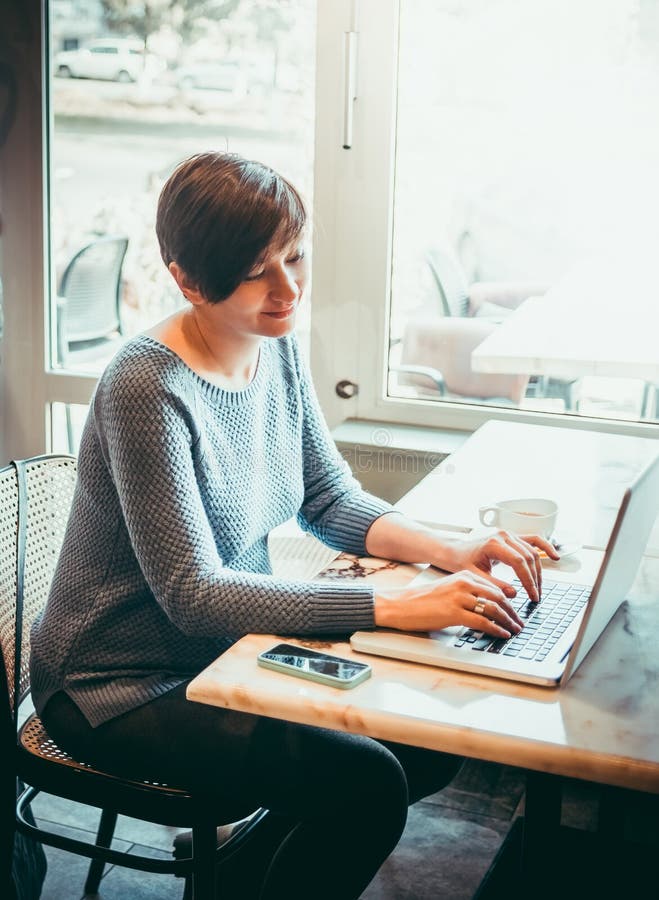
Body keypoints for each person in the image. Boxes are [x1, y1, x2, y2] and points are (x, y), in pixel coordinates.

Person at [30, 152, 558, 899]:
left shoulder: (274, 345)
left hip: (223, 654)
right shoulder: (146, 386)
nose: (289, 288)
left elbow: (328, 497)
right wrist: (396, 608)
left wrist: (451, 547)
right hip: (115, 686)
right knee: (366, 782)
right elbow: (193, 594)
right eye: (257, 270)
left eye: (296, 256)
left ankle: (237, 881)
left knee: (427, 742)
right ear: (187, 279)